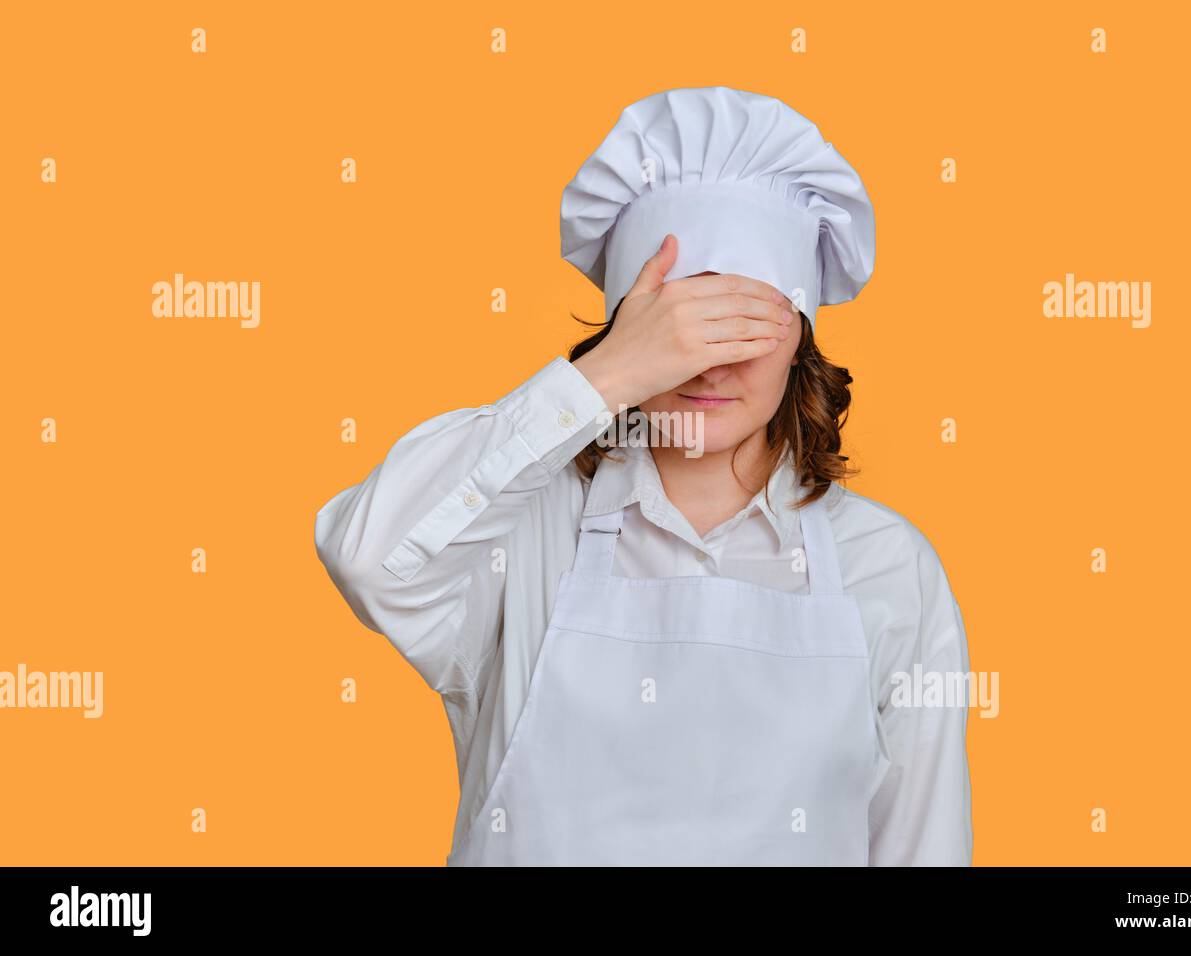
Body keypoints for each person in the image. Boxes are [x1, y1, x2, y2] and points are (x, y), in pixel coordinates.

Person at [314, 86, 973, 866]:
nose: (710, 359)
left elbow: (922, 849)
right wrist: (606, 377)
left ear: (801, 332)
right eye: (678, 320)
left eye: (746, 317)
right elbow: (369, 554)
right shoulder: (522, 538)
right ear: (628, 321)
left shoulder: (888, 568)